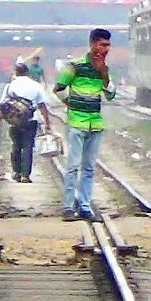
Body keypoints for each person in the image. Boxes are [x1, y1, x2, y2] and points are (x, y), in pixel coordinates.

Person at [54, 28, 116, 222]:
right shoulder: (74, 66)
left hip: (95, 124)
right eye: (102, 44)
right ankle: (68, 207)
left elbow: (111, 95)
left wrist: (104, 74)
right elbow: (58, 88)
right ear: (92, 44)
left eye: (108, 45)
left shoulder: (104, 69)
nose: (106, 49)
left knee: (89, 168)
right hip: (76, 123)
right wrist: (71, 104)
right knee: (72, 166)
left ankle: (85, 206)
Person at [0, 62, 53, 183]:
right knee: (28, 146)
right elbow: (42, 106)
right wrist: (47, 124)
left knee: (15, 145)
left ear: (16, 72)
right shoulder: (36, 86)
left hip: (14, 121)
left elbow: (2, 107)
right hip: (31, 120)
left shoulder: (10, 86)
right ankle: (25, 175)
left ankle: (16, 172)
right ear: (27, 72)